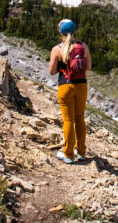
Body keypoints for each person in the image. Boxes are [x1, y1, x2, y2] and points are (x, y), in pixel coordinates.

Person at [48, 18, 91, 163]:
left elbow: (52, 71)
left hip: (65, 86)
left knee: (68, 120)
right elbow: (88, 67)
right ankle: (81, 152)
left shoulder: (57, 49)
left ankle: (68, 154)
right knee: (80, 118)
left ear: (61, 32)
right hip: (81, 86)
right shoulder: (83, 46)